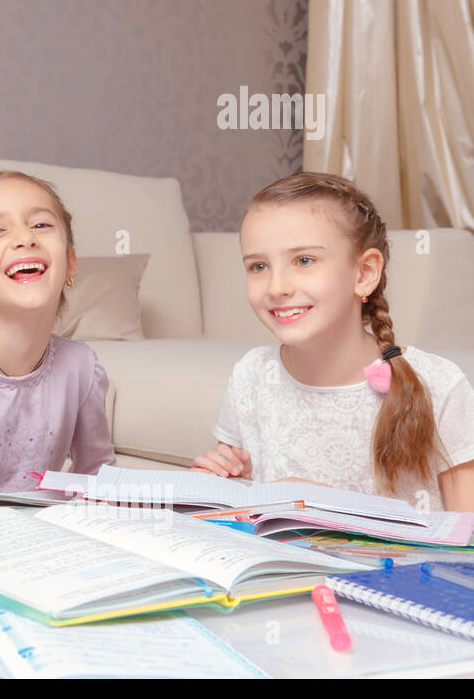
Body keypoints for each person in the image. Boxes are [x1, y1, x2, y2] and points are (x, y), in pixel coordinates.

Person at [193, 172, 474, 511]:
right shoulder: (250, 376)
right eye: (259, 266)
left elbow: (466, 542)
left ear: (364, 273)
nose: (276, 286)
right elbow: (245, 517)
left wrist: (325, 505)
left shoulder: (440, 385)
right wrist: (230, 487)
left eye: (304, 260)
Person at [0, 171, 114, 491]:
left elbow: (97, 472)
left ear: (70, 262)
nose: (25, 238)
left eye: (41, 224)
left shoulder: (81, 367)